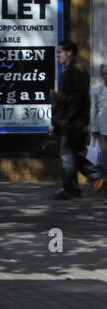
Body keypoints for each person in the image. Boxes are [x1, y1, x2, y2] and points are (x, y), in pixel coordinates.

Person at [50, 40, 104, 199]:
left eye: (60, 52)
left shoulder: (77, 70)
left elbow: (79, 98)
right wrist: (58, 99)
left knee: (67, 153)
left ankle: (72, 188)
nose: (58, 55)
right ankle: (94, 175)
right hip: (70, 118)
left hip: (71, 120)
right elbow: (71, 96)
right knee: (69, 153)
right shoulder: (71, 69)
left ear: (69, 53)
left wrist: (64, 116)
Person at [92, 63, 107, 191]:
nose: (106, 76)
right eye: (104, 74)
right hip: (103, 131)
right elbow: (94, 110)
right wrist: (94, 129)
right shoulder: (96, 89)